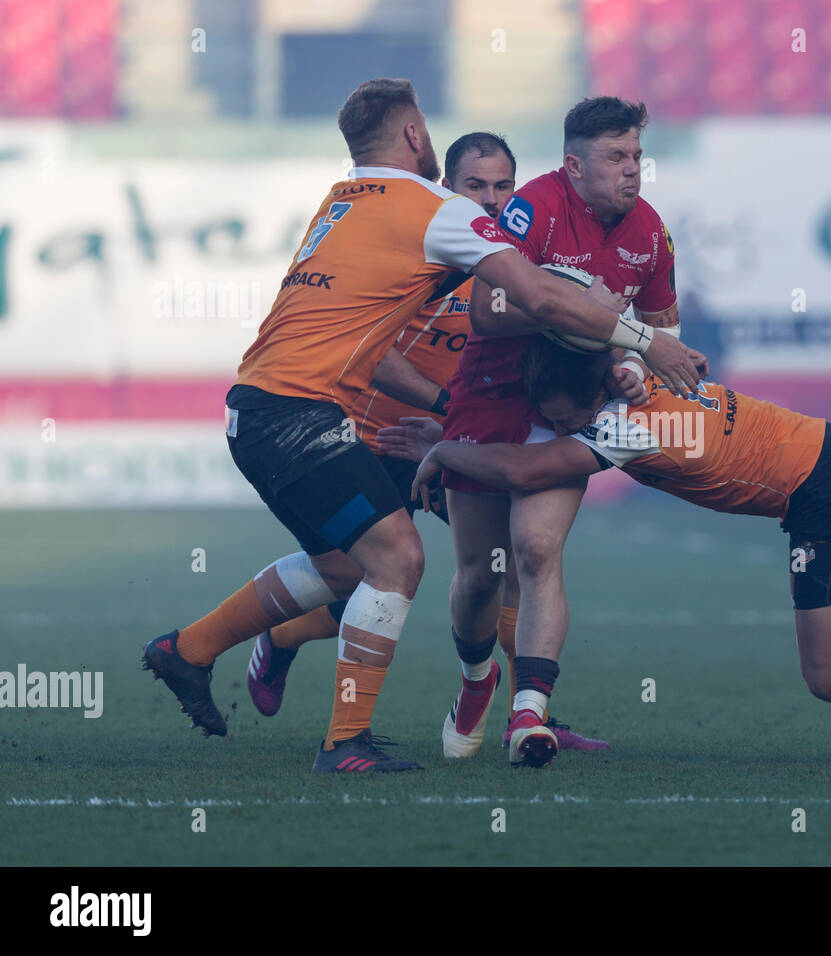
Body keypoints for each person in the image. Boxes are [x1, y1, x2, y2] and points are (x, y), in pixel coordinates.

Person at [141, 79, 695, 771]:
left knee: (350, 567)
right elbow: (532, 296)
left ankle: (188, 650)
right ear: (413, 136)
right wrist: (646, 341)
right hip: (303, 413)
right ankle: (345, 744)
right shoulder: (434, 210)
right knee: (400, 558)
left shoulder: (342, 200)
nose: (491, 198)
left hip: (262, 408)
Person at [395, 340, 831, 766]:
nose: (560, 425)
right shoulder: (628, 378)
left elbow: (526, 470)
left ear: (594, 396)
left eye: (564, 415)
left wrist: (448, 449)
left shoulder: (631, 424)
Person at [436, 96, 707, 767]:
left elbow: (661, 338)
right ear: (574, 165)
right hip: (491, 395)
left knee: (533, 550)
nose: (632, 170)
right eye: (616, 158)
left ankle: (529, 717)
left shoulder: (651, 234)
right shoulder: (534, 207)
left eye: (637, 156)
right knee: (478, 575)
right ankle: (476, 684)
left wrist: (631, 371)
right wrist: (573, 311)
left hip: (569, 411)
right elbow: (487, 312)